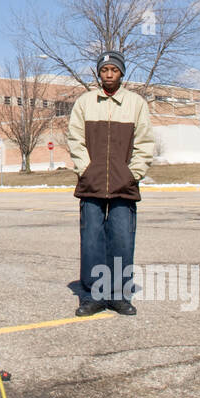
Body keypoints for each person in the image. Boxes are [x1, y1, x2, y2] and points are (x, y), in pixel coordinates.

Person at [66, 51, 155, 316]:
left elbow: (145, 143)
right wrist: (86, 169)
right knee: (92, 240)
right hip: (91, 185)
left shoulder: (136, 104)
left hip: (123, 186)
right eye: (104, 70)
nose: (108, 74)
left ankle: (118, 295)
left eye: (113, 70)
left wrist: (132, 174)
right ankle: (92, 295)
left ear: (121, 73)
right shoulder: (84, 103)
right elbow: (75, 140)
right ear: (99, 73)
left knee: (121, 241)